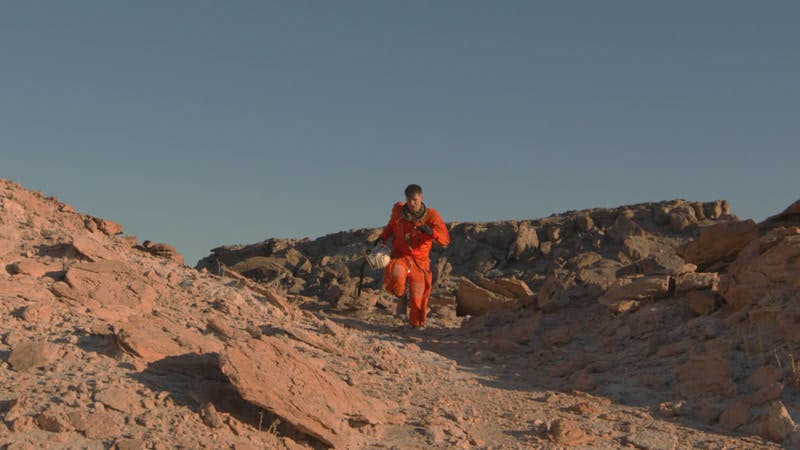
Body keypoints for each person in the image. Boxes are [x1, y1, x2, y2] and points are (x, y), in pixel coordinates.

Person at [373, 184, 450, 328]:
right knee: (396, 275)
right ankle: (401, 298)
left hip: (420, 261)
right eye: (409, 200)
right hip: (401, 255)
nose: (412, 203)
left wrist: (432, 233)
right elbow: (391, 226)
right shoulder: (398, 210)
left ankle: (414, 326)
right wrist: (382, 237)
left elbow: (445, 240)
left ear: (421, 198)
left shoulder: (431, 215)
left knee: (417, 299)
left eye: (415, 200)